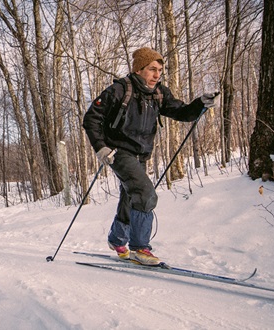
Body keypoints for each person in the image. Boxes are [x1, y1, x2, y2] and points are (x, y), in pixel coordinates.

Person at [82, 47, 218, 265]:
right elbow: (91, 118)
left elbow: (181, 112)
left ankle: (117, 239)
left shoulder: (158, 93)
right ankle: (140, 248)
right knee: (146, 194)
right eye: (152, 69)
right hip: (118, 152)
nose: (157, 75)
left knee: (131, 196)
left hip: (142, 154)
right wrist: (101, 147)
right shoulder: (119, 90)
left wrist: (201, 103)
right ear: (139, 69)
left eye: (160, 70)